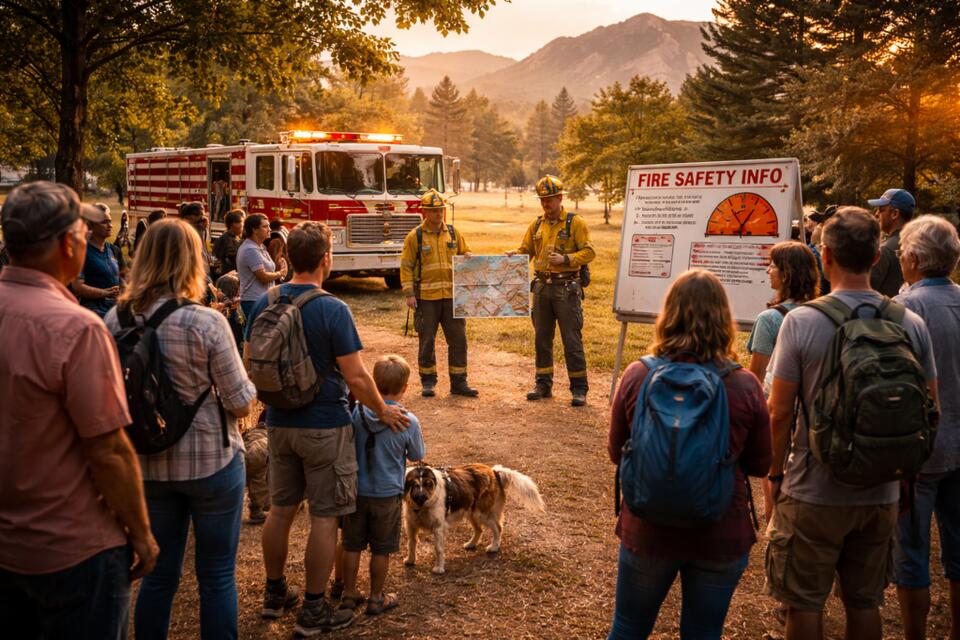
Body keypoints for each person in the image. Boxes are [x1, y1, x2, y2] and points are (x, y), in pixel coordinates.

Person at [764, 207, 938, 640]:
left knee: (804, 603)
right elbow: (930, 406)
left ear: (824, 256)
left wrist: (774, 474)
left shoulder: (802, 322)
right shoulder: (909, 323)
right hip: (882, 490)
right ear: (877, 257)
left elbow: (779, 410)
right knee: (865, 603)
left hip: (813, 488)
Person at [0, 181, 158, 639]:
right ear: (67, 244)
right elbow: (108, 448)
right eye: (82, 231)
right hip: (73, 551)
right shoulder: (76, 329)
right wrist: (143, 536)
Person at [245, 222, 410, 635]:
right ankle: (315, 608)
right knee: (324, 516)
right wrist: (383, 412)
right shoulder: (333, 308)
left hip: (280, 423)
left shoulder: (267, 299)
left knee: (281, 511)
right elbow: (355, 376)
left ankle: (274, 592)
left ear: (286, 259)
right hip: (325, 428)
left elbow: (251, 359)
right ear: (325, 260)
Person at [102, 217, 256, 640]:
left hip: (146, 464)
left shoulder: (114, 322)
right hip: (211, 463)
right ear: (193, 262)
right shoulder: (206, 323)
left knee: (158, 574)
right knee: (217, 576)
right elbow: (241, 401)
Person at [607, 269, 771, 639]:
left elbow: (617, 452)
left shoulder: (638, 375)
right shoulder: (744, 384)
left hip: (648, 527)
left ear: (668, 314)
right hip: (721, 531)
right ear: (723, 318)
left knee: (629, 627)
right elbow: (761, 465)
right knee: (703, 632)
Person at [892, 215, 960, 640]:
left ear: (914, 259)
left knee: (911, 552)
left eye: (901, 253)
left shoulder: (905, 309)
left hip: (921, 450)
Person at [340, 354, 425, 616]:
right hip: (388, 494)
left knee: (351, 545)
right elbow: (416, 454)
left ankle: (348, 593)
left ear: (374, 384)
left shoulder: (356, 413)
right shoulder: (408, 420)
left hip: (357, 491)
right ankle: (376, 598)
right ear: (405, 388)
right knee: (381, 549)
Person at [509, 175, 595, 406]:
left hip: (566, 289)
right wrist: (514, 256)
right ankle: (543, 384)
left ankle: (579, 389)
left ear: (560, 198)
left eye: (549, 199)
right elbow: (526, 250)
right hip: (542, 289)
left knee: (571, 340)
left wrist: (566, 258)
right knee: (542, 339)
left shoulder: (575, 223)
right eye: (542, 200)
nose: (546, 204)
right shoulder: (536, 224)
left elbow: (589, 252)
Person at [399, 189, 478, 397]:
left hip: (452, 297)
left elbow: (465, 252)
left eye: (441, 210)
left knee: (459, 340)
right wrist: (409, 293)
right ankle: (428, 382)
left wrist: (468, 255)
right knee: (427, 341)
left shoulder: (453, 233)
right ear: (425, 212)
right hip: (426, 299)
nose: (438, 214)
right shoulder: (414, 236)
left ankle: (459, 383)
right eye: (433, 211)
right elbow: (406, 266)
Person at [747, 241, 820, 394]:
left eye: (772, 266)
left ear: (785, 274)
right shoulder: (821, 312)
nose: (768, 271)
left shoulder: (769, 319)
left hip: (776, 406)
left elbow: (755, 382)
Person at [72, 202, 126, 317]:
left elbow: (125, 277)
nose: (110, 225)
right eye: (104, 222)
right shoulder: (82, 250)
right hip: (94, 310)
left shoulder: (114, 250)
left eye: (110, 221)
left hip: (117, 307)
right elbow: (77, 287)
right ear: (91, 225)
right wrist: (105, 293)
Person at [236, 213, 286, 320]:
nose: (269, 229)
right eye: (265, 226)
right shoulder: (250, 249)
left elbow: (270, 268)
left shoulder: (261, 247)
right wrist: (280, 273)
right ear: (254, 230)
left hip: (263, 299)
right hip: (253, 301)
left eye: (269, 226)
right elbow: (262, 276)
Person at [868, 188, 916, 296]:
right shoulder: (921, 244)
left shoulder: (885, 250)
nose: (876, 214)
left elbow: (866, 292)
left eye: (881, 210)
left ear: (894, 213)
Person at [243, 414, 270, 525]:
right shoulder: (271, 434)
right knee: (260, 479)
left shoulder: (251, 431)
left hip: (243, 453)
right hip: (260, 451)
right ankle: (257, 511)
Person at [213, 209, 244, 277]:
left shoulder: (235, 237)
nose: (242, 227)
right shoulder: (227, 239)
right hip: (228, 275)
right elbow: (232, 257)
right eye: (241, 224)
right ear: (232, 224)